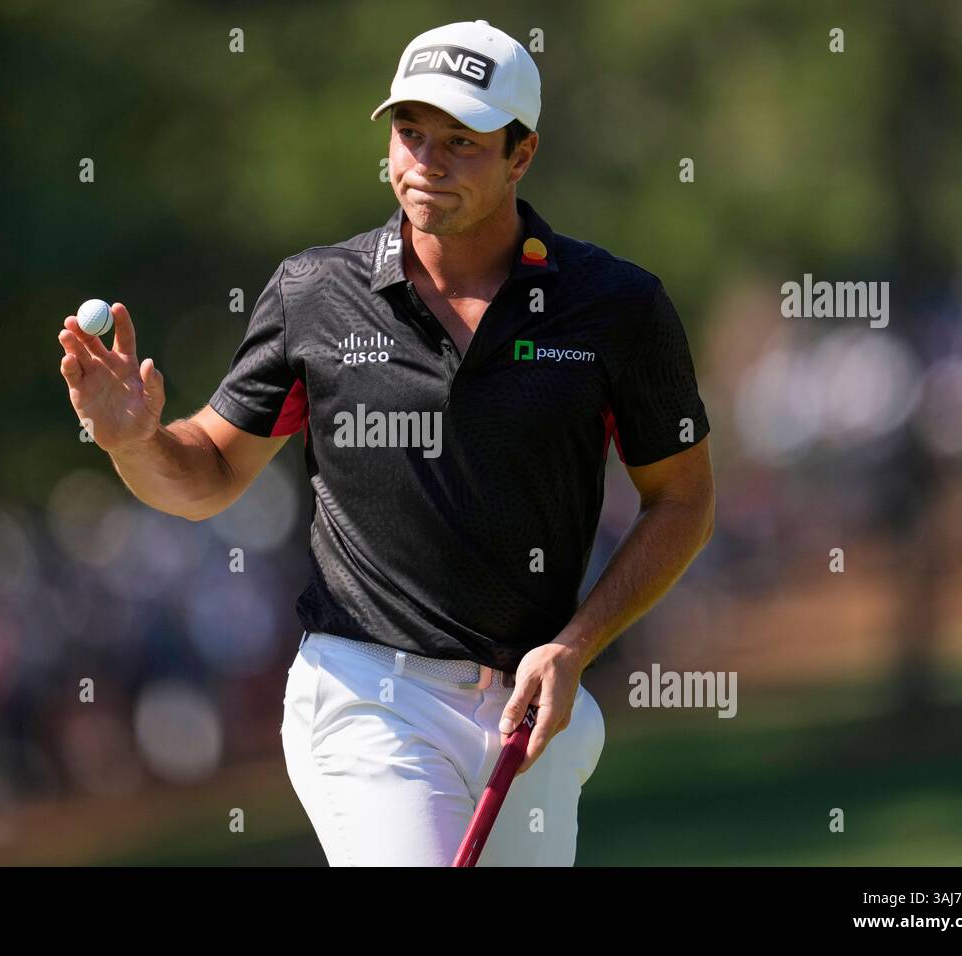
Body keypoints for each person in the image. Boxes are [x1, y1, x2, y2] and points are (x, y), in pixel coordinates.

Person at [57, 19, 714, 866]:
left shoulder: (615, 307)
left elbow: (684, 498)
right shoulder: (314, 294)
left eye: (460, 142)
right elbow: (210, 473)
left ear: (522, 155)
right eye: (409, 134)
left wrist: (576, 645)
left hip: (528, 709)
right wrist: (133, 443)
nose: (425, 163)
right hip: (368, 700)